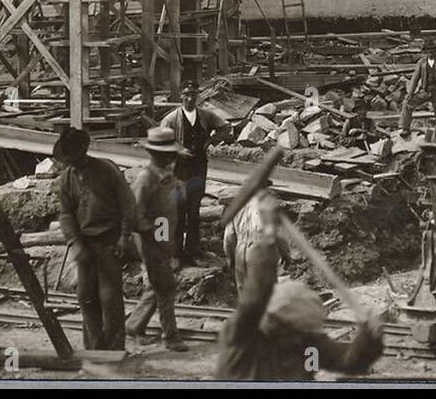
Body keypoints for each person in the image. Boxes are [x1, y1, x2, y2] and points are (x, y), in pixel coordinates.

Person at [217, 195, 383, 380]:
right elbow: (255, 297)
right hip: (254, 249)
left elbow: (349, 361)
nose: (301, 340)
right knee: (248, 295)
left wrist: (369, 338)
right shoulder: (244, 339)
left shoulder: (307, 344)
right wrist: (268, 235)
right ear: (278, 324)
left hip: (243, 250)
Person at [56, 126, 137, 351]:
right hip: (85, 245)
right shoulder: (66, 179)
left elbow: (127, 204)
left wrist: (124, 236)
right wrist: (75, 243)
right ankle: (94, 347)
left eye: (74, 157)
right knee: (86, 297)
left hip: (109, 241)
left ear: (83, 150)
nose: (72, 162)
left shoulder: (106, 169)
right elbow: (66, 215)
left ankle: (114, 349)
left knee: (110, 299)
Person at [124, 128, 188, 352]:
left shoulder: (165, 176)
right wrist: (152, 235)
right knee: (167, 286)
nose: (171, 157)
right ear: (154, 154)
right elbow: (134, 213)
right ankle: (170, 337)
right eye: (166, 154)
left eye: (172, 154)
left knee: (158, 285)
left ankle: (134, 324)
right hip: (150, 240)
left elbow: (170, 206)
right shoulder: (145, 178)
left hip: (162, 237)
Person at [161, 80, 231, 265]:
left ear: (197, 97)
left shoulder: (205, 116)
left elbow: (226, 127)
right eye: (186, 95)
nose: (190, 99)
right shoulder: (171, 119)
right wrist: (178, 149)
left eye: (193, 95)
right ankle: (176, 254)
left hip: (198, 168)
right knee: (178, 210)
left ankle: (192, 253)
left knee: (194, 212)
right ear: (181, 97)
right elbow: (161, 140)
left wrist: (211, 141)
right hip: (178, 170)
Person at [221, 146, 289, 299]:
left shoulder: (237, 207)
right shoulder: (268, 205)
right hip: (260, 252)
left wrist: (230, 257)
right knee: (266, 293)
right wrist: (286, 254)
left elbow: (229, 237)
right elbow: (279, 235)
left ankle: (247, 321)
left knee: (244, 292)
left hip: (240, 250)